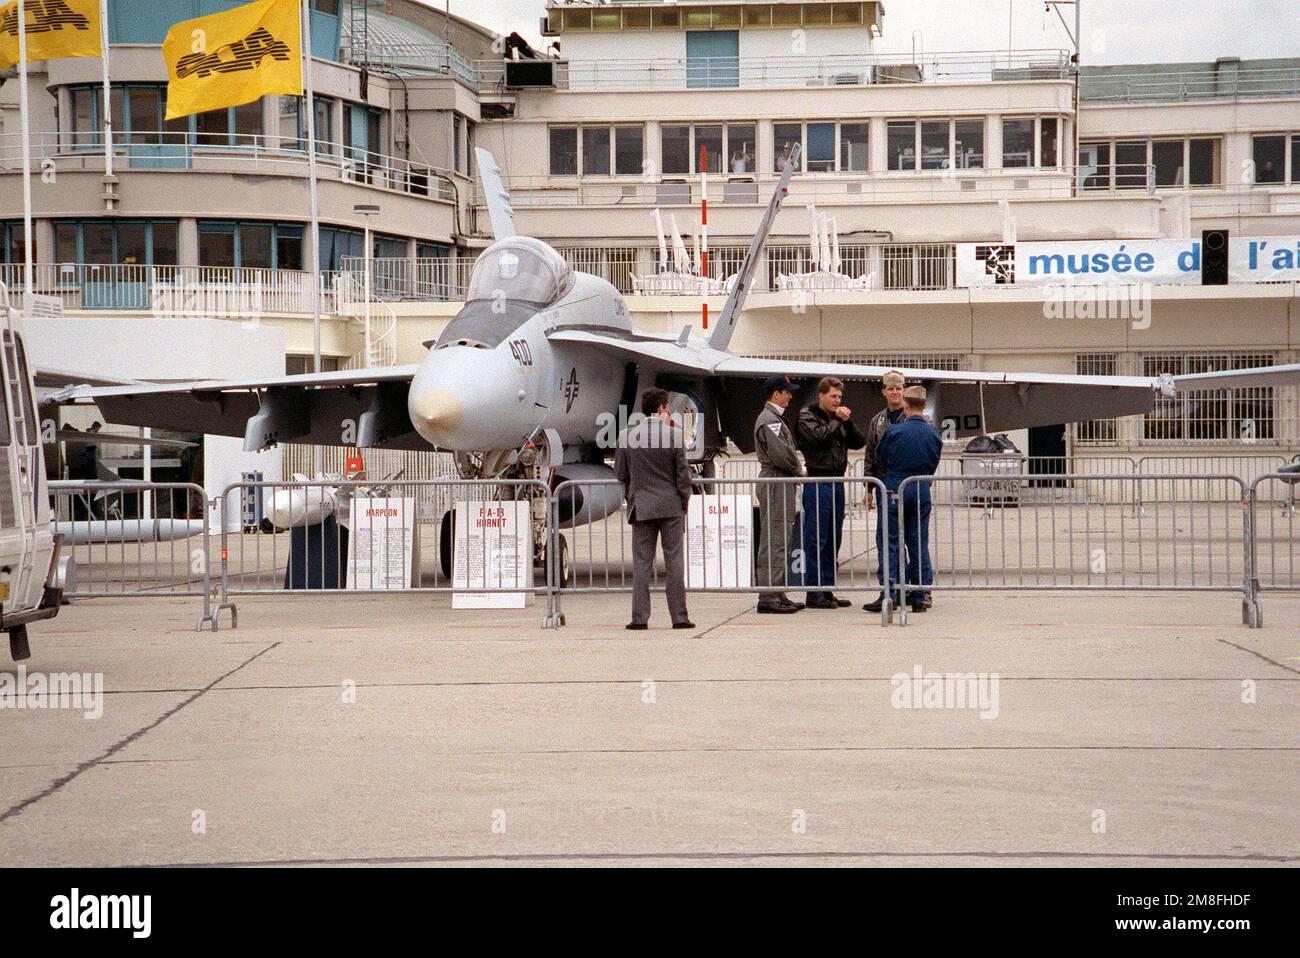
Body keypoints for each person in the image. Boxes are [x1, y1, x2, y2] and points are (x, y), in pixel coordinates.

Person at [615, 387, 695, 631]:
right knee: (674, 561)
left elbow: (620, 473)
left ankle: (639, 618)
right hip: (670, 505)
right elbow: (683, 475)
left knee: (641, 563)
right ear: (661, 408)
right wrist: (684, 499)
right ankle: (679, 616)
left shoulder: (627, 436)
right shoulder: (674, 436)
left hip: (641, 506)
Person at [793, 376, 865, 609]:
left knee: (833, 537)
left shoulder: (838, 419)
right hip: (818, 481)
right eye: (833, 396)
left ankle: (827, 588)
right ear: (821, 395)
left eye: (839, 397)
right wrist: (836, 422)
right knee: (816, 536)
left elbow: (858, 442)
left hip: (836, 481)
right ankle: (814, 591)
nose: (837, 401)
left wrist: (847, 422)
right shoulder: (807, 416)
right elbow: (818, 438)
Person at [875, 385, 942, 614]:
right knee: (918, 542)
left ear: (905, 404)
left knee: (890, 542)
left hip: (895, 488)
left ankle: (890, 592)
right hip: (920, 488)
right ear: (924, 406)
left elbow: (881, 457)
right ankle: (921, 593)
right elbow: (933, 463)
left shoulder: (894, 431)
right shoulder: (933, 435)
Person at [753, 375, 804, 614]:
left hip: (780, 481)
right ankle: (769, 595)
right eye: (787, 391)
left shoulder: (775, 419)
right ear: (776, 394)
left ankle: (777, 590)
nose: (790, 396)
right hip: (775, 480)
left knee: (781, 537)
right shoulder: (769, 421)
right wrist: (798, 468)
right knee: (774, 538)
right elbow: (781, 454)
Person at [861, 371, 907, 614]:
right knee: (885, 540)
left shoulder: (913, 418)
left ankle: (912, 589)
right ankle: (887, 590)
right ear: (884, 391)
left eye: (898, 388)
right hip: (884, 487)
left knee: (910, 539)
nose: (895, 392)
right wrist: (869, 488)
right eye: (890, 389)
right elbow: (870, 454)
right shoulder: (877, 421)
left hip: (906, 487)